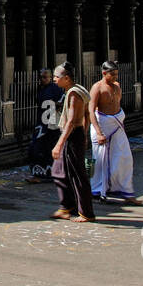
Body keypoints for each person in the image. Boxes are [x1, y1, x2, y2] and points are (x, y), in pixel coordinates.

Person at [50, 62, 95, 222]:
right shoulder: (78, 90)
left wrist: (58, 144)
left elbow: (71, 122)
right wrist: (85, 134)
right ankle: (67, 207)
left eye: (57, 76)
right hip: (77, 134)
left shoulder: (74, 94)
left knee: (77, 174)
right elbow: (87, 116)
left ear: (67, 78)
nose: (54, 79)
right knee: (60, 171)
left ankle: (86, 212)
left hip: (72, 135)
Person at [89, 60, 136, 202]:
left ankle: (123, 189)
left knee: (124, 157)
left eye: (116, 74)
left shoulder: (117, 86)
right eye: (112, 74)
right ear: (104, 73)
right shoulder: (97, 88)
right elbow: (91, 111)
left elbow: (117, 105)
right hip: (102, 125)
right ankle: (94, 189)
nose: (115, 77)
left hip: (116, 125)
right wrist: (98, 132)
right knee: (97, 160)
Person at [27, 68, 63, 182]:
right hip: (41, 123)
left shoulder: (55, 89)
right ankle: (39, 173)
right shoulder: (40, 88)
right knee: (36, 147)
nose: (42, 79)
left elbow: (63, 100)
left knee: (49, 148)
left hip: (52, 124)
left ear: (50, 77)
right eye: (41, 77)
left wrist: (54, 106)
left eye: (45, 77)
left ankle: (50, 173)